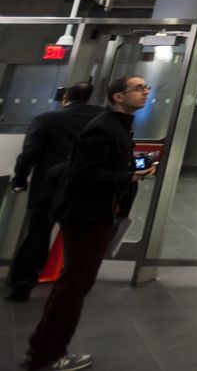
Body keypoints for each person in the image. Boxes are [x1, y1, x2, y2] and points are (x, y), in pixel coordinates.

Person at [24, 76, 154, 371]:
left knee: (72, 285)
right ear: (118, 96)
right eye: (138, 88)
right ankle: (47, 355)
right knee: (73, 287)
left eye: (147, 88)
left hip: (94, 215)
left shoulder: (117, 126)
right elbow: (86, 175)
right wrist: (130, 177)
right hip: (88, 217)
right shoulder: (104, 128)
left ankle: (42, 348)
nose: (145, 92)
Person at [6, 82, 104, 303]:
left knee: (37, 236)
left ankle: (21, 286)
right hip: (87, 187)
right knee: (80, 240)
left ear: (66, 98)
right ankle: (75, 288)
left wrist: (20, 180)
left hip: (48, 187)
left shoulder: (47, 119)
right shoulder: (101, 118)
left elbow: (29, 154)